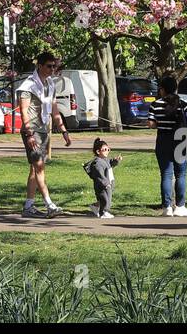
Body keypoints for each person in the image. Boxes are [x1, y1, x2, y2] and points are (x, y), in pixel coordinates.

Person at [16, 51, 72, 218]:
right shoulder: (28, 86)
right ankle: (50, 204)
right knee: (39, 167)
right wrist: (30, 133)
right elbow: (24, 111)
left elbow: (55, 110)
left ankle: (28, 206)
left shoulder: (50, 84)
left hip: (43, 129)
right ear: (39, 66)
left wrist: (63, 130)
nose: (52, 69)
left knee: (35, 169)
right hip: (32, 131)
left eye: (54, 66)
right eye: (49, 66)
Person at [151, 75, 187, 216]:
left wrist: (161, 123)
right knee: (181, 174)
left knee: (166, 174)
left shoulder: (155, 104)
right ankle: (180, 207)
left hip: (163, 140)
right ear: (175, 88)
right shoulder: (183, 104)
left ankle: (167, 208)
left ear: (162, 89)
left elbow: (151, 124)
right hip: (180, 140)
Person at [84, 138, 120, 219]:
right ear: (98, 152)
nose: (107, 151)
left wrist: (116, 161)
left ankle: (95, 206)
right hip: (102, 185)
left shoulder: (105, 160)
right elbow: (99, 175)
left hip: (108, 183)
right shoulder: (97, 163)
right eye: (105, 149)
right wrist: (105, 183)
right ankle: (103, 212)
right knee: (106, 199)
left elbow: (110, 164)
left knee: (103, 199)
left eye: (108, 149)